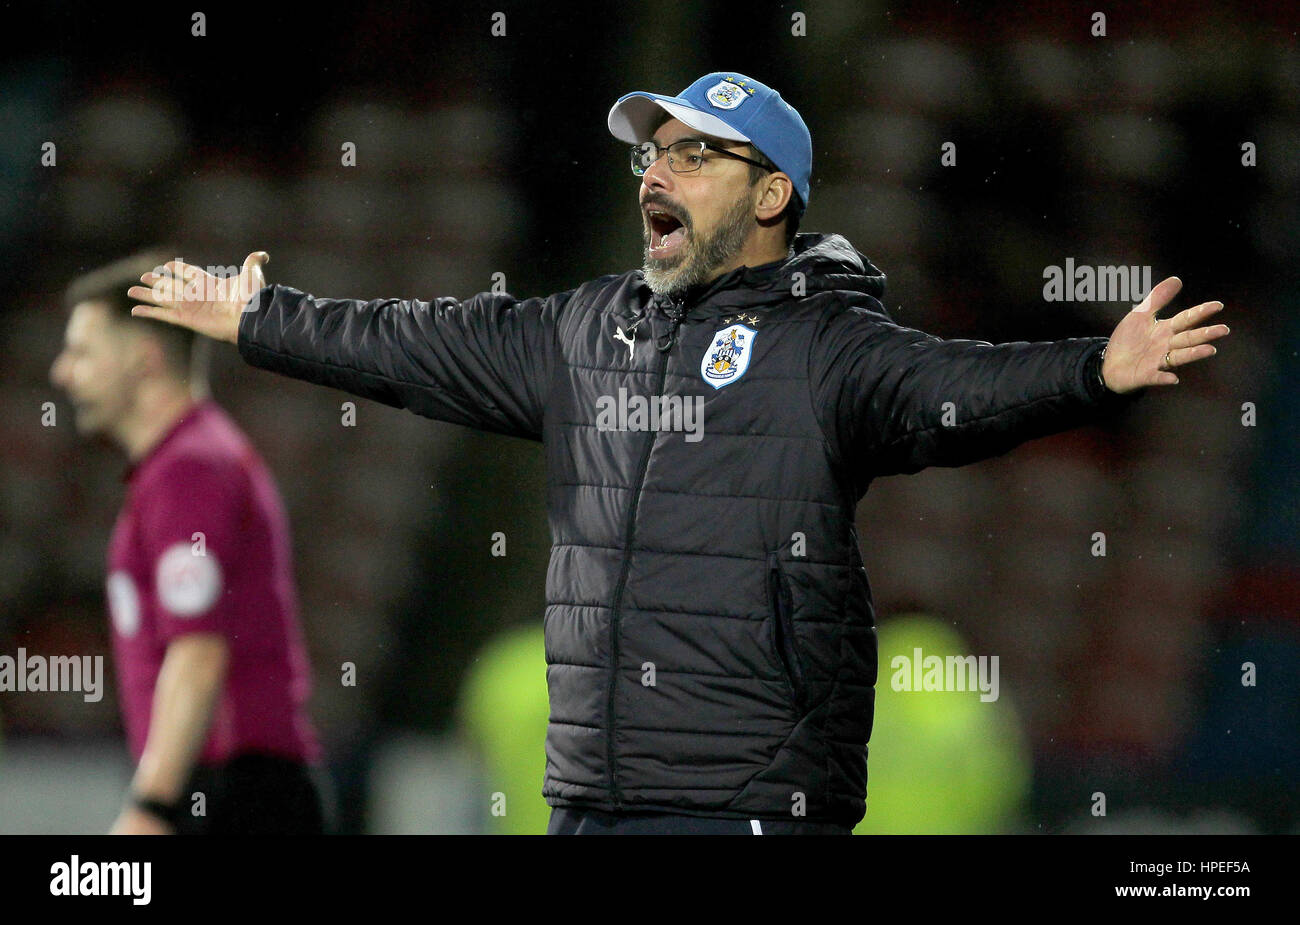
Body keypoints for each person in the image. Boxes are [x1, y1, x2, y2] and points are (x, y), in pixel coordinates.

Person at [127, 72, 1230, 835]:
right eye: (653, 152)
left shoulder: (827, 347)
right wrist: (266, 320)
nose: (656, 171)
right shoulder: (580, 331)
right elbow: (411, 344)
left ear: (770, 195)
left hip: (742, 807)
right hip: (591, 799)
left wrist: (1092, 368)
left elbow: (952, 387)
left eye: (696, 154)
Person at [50, 252, 328, 834]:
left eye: (82, 353)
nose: (62, 373)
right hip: (235, 787)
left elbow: (198, 654)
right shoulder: (188, 462)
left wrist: (151, 806)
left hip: (234, 794)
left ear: (145, 360)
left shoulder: (189, 470)